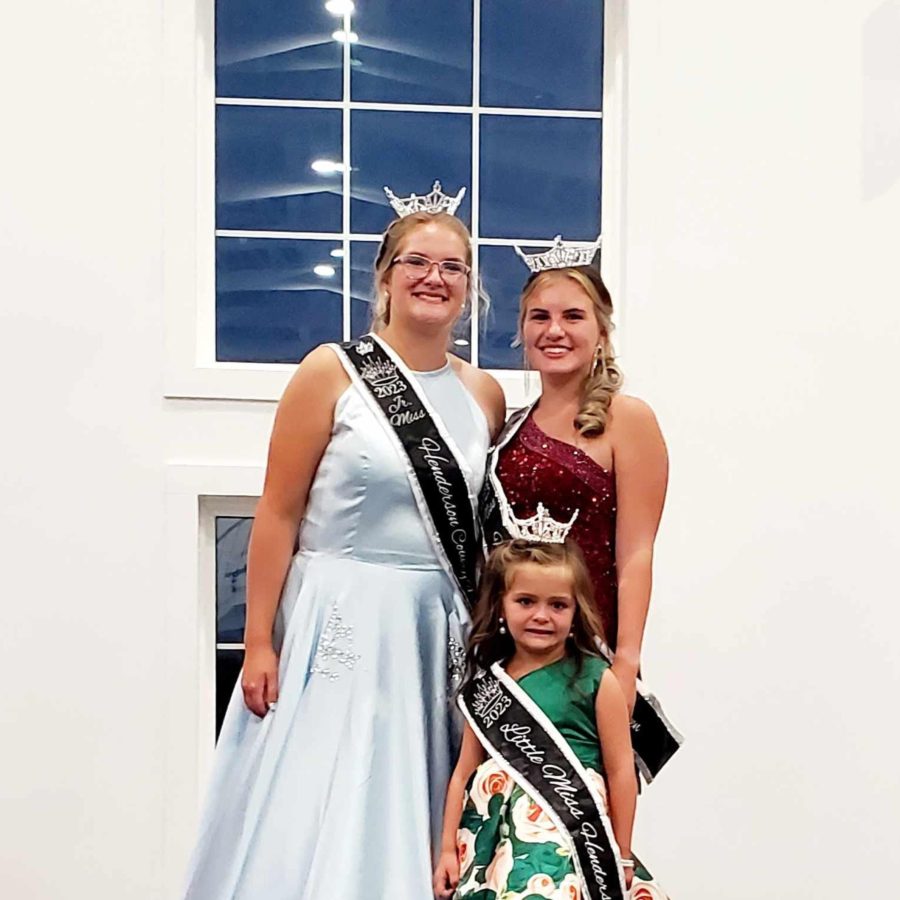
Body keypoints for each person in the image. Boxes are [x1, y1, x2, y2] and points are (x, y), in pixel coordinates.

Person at [181, 187, 506, 900]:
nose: (434, 278)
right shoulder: (331, 371)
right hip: (337, 612)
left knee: (415, 792)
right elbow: (277, 513)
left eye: (452, 267)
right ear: (385, 277)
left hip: (434, 623)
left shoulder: (483, 394)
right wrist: (259, 639)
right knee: (323, 785)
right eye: (417, 262)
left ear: (469, 289)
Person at [481, 247, 680, 782]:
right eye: (540, 317)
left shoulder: (628, 420)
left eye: (573, 316)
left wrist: (626, 663)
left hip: (589, 651)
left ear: (601, 332)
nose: (555, 331)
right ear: (522, 330)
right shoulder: (507, 429)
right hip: (515, 650)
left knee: (590, 801)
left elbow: (636, 551)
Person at [433, 539, 668, 900]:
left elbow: (621, 770)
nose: (541, 616)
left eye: (558, 605)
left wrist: (621, 853)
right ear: (500, 607)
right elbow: (464, 772)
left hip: (569, 834)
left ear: (577, 612)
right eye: (526, 601)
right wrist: (448, 849)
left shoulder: (595, 679)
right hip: (490, 835)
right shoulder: (486, 687)